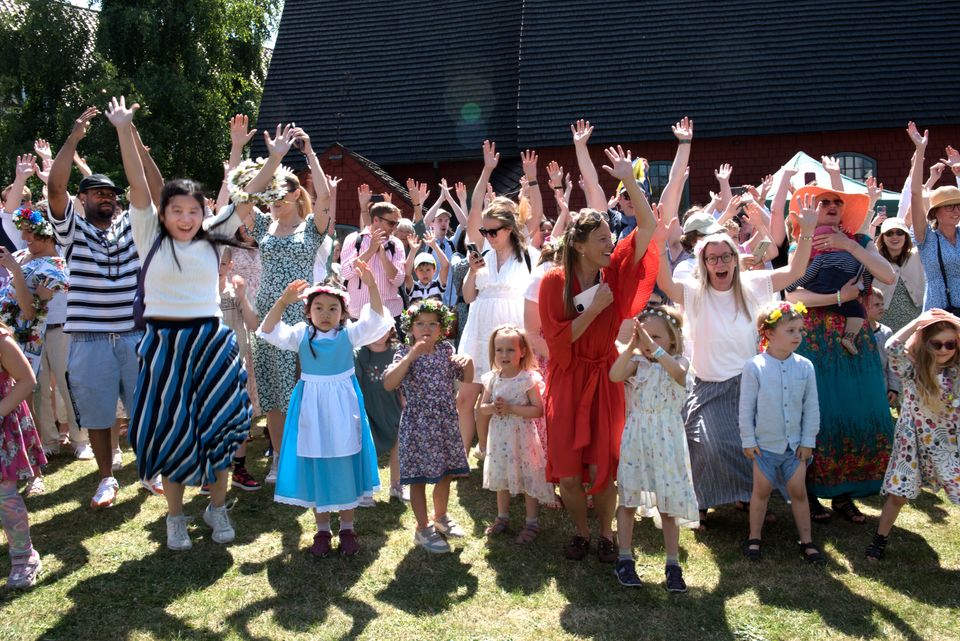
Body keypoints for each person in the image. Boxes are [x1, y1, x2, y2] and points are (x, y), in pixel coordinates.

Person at [106, 96, 253, 550]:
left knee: (220, 426)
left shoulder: (213, 237)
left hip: (211, 342)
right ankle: (175, 517)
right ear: (163, 213)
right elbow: (138, 183)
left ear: (203, 213)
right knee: (171, 429)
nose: (186, 218)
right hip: (164, 345)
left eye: (193, 211)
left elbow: (245, 194)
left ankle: (217, 507)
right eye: (176, 211)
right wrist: (124, 130)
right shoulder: (147, 233)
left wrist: (260, 154)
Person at [655, 195, 818, 528]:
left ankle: (750, 496)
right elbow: (664, 283)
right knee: (707, 445)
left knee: (757, 446)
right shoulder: (693, 290)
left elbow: (795, 271)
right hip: (707, 386)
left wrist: (807, 232)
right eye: (713, 258)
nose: (720, 263)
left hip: (750, 384)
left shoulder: (753, 285)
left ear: (734, 259)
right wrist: (658, 245)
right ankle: (702, 501)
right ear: (704, 262)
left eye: (726, 256)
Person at [539, 144, 658, 562]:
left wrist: (629, 180)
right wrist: (594, 309)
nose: (611, 243)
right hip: (568, 378)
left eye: (611, 237)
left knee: (602, 467)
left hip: (605, 377)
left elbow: (648, 225)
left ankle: (606, 534)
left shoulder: (616, 271)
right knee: (570, 473)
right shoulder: (554, 282)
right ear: (580, 246)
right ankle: (581, 531)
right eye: (603, 238)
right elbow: (558, 342)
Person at [46, 106, 159, 507]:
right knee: (97, 415)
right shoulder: (71, 231)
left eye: (111, 193)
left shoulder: (132, 226)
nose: (107, 197)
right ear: (83, 199)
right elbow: (55, 188)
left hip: (133, 336)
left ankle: (149, 471)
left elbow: (150, 190)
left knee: (145, 409)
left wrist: (130, 136)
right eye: (98, 193)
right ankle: (107, 478)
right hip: (89, 339)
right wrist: (74, 137)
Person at [257, 269, 391, 558]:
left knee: (345, 461)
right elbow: (268, 330)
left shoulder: (349, 334)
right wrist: (283, 301)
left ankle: (347, 528)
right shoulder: (300, 334)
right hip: (312, 408)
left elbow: (377, 320)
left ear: (343, 313)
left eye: (333, 308)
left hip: (343, 408)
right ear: (308, 311)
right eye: (318, 307)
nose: (326, 314)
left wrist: (371, 286)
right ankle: (322, 529)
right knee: (317, 462)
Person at [785, 183, 896, 524]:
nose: (832, 205)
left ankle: (844, 494)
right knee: (820, 412)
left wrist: (849, 245)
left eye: (837, 201)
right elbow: (791, 295)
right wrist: (836, 297)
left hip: (854, 338)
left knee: (857, 406)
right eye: (824, 202)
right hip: (814, 338)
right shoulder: (801, 243)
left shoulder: (859, 241)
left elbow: (888, 275)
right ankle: (810, 492)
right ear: (812, 210)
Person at [230, 126, 333, 485]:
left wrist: (310, 153)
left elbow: (326, 196)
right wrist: (252, 155)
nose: (273, 199)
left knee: (307, 390)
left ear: (296, 194)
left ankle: (311, 455)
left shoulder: (312, 227)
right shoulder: (262, 226)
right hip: (269, 316)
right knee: (274, 394)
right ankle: (278, 459)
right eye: (270, 193)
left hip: (304, 317)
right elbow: (239, 197)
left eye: (280, 193)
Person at [458, 142, 540, 459]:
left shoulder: (526, 255)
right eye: (485, 231)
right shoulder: (481, 253)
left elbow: (536, 215)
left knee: (508, 397)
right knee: (466, 397)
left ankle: (502, 454)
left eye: (494, 231)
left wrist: (532, 179)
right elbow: (468, 297)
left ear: (509, 228)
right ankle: (463, 458)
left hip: (510, 327)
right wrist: (487, 170)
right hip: (479, 327)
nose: (488, 235)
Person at [609, 305, 698, 592]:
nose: (649, 343)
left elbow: (678, 373)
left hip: (667, 439)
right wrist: (631, 347)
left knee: (667, 503)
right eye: (645, 336)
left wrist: (656, 349)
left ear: (672, 339)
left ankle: (673, 563)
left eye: (656, 337)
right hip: (637, 436)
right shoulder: (637, 364)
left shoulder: (680, 362)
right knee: (628, 499)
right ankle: (625, 558)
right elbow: (614, 375)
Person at [866, 310, 960, 561]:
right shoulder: (912, 369)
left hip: (950, 447)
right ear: (925, 343)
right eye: (937, 344)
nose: (944, 349)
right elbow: (892, 346)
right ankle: (879, 539)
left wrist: (956, 322)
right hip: (913, 444)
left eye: (950, 344)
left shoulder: (956, 370)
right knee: (898, 494)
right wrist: (919, 321)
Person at [739, 301, 825, 565]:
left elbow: (811, 407)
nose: (798, 336)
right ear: (769, 333)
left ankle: (807, 540)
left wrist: (808, 441)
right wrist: (748, 440)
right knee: (761, 490)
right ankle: (754, 537)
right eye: (790, 330)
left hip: (795, 447)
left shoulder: (805, 366)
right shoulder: (754, 366)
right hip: (764, 446)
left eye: (800, 330)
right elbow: (746, 408)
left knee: (798, 490)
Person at [383, 299, 472, 554]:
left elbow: (468, 378)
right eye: (420, 324)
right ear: (410, 328)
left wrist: (468, 361)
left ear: (442, 328)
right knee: (419, 477)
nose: (426, 329)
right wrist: (411, 355)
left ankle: (440, 516)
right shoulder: (403, 352)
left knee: (446, 472)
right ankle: (422, 528)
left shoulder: (446, 350)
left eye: (433, 324)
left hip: (445, 422)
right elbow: (389, 383)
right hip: (418, 424)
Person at [478, 325, 553, 543]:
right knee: (501, 476)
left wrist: (511, 408)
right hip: (500, 439)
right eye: (499, 350)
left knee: (528, 477)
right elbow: (482, 408)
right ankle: (502, 517)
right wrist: (493, 407)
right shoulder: (492, 378)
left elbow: (537, 410)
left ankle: (532, 522)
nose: (504, 354)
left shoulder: (528, 379)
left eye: (510, 349)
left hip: (523, 437)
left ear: (522, 351)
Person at [786, 211, 874, 355]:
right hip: (830, 300)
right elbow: (864, 273)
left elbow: (806, 276)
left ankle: (849, 338)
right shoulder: (855, 258)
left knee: (858, 310)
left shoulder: (824, 257)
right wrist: (860, 291)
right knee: (858, 311)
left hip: (820, 290)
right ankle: (849, 337)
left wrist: (791, 285)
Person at [213, 248, 262, 491]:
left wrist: (242, 297)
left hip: (236, 363)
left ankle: (239, 468)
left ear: (230, 265)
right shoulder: (199, 294)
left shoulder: (235, 292)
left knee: (240, 417)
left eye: (222, 263)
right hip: (209, 367)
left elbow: (253, 324)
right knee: (212, 419)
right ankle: (212, 471)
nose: (217, 268)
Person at [0, 321, 43, 587]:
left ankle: (24, 557)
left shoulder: (1, 340)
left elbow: (27, 380)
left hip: (2, 422)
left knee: (4, 494)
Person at [906, 122, 960, 313]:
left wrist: (959, 173)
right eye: (949, 207)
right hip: (939, 313)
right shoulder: (926, 237)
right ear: (935, 212)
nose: (956, 211)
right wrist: (920, 149)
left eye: (958, 206)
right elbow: (915, 194)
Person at [355, 327, 406, 503]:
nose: (378, 333)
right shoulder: (359, 353)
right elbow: (355, 382)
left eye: (382, 328)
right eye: (374, 328)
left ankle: (397, 484)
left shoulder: (397, 351)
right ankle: (365, 489)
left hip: (393, 404)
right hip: (369, 408)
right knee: (368, 448)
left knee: (398, 443)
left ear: (390, 330)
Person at [873, 216, 924, 332]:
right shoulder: (875, 257)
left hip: (915, 318)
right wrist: (872, 225)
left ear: (906, 236)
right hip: (883, 319)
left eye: (899, 233)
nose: (894, 236)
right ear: (882, 238)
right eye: (889, 233)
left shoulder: (918, 254)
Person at [867, 290, 901, 408]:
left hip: (882, 385)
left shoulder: (886, 332)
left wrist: (894, 388)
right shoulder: (855, 333)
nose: (881, 308)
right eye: (876, 305)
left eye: (882, 304)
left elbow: (893, 363)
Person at [403, 232, 449, 304]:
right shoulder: (413, 287)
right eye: (421, 270)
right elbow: (407, 274)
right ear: (416, 271)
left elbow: (445, 265)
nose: (425, 273)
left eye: (428, 270)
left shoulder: (438, 285)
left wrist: (434, 246)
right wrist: (413, 251)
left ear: (434, 270)